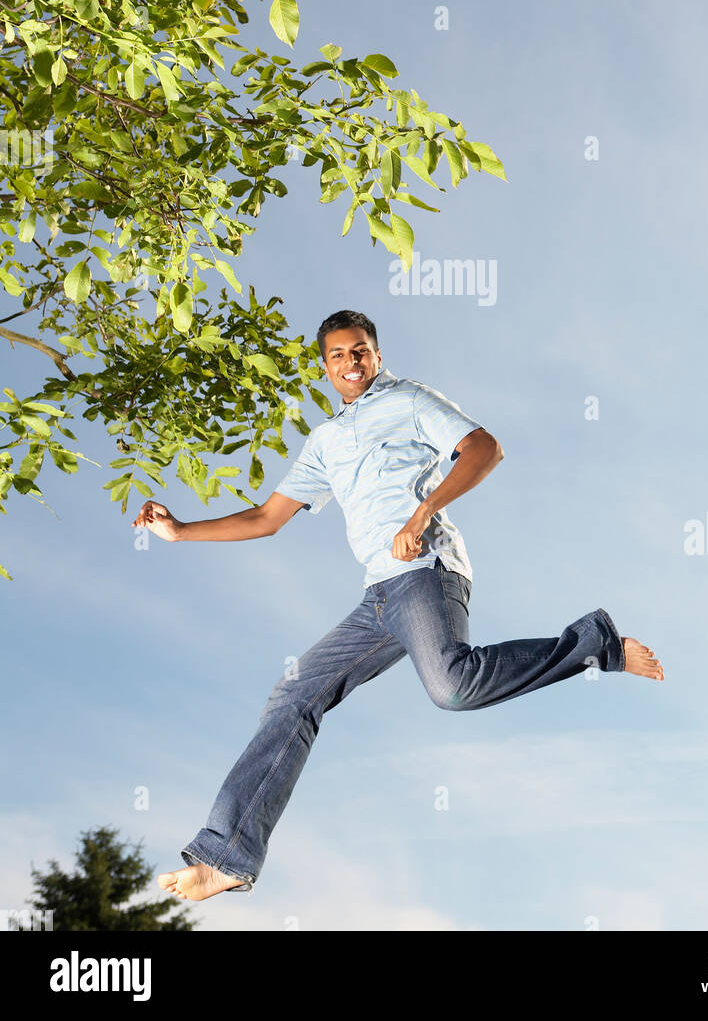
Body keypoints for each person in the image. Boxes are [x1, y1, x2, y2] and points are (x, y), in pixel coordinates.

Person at [132, 308, 664, 902]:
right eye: (338, 356)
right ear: (325, 368)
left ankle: (594, 644)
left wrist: (422, 513)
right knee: (293, 695)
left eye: (360, 351)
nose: (351, 363)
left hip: (426, 572)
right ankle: (227, 854)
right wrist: (180, 531)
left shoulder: (408, 399)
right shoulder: (324, 443)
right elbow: (266, 518)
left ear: (376, 356)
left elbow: (484, 448)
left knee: (451, 686)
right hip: (377, 598)